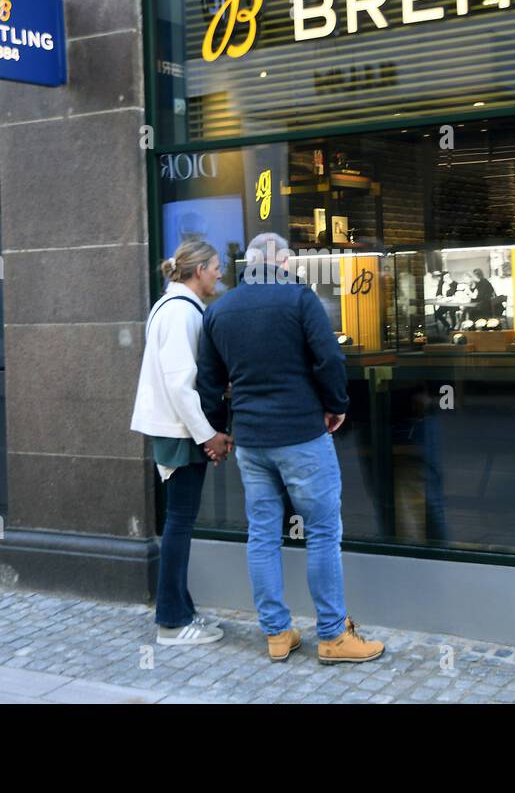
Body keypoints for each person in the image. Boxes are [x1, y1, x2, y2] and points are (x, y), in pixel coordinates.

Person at [197, 232, 385, 665]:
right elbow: (329, 359)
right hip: (301, 434)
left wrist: (219, 429)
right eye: (290, 260)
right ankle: (334, 637)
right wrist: (336, 405)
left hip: (251, 441)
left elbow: (208, 380)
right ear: (280, 259)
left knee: (262, 534)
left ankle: (278, 634)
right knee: (321, 531)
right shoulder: (299, 299)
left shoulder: (220, 310)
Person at [130, 240, 233, 646]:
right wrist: (208, 434)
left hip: (180, 429)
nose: (219, 274)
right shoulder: (179, 312)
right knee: (178, 523)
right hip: (180, 430)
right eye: (215, 267)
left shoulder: (174, 307)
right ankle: (172, 621)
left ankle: (181, 612)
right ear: (198, 270)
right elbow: (179, 384)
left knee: (179, 521)